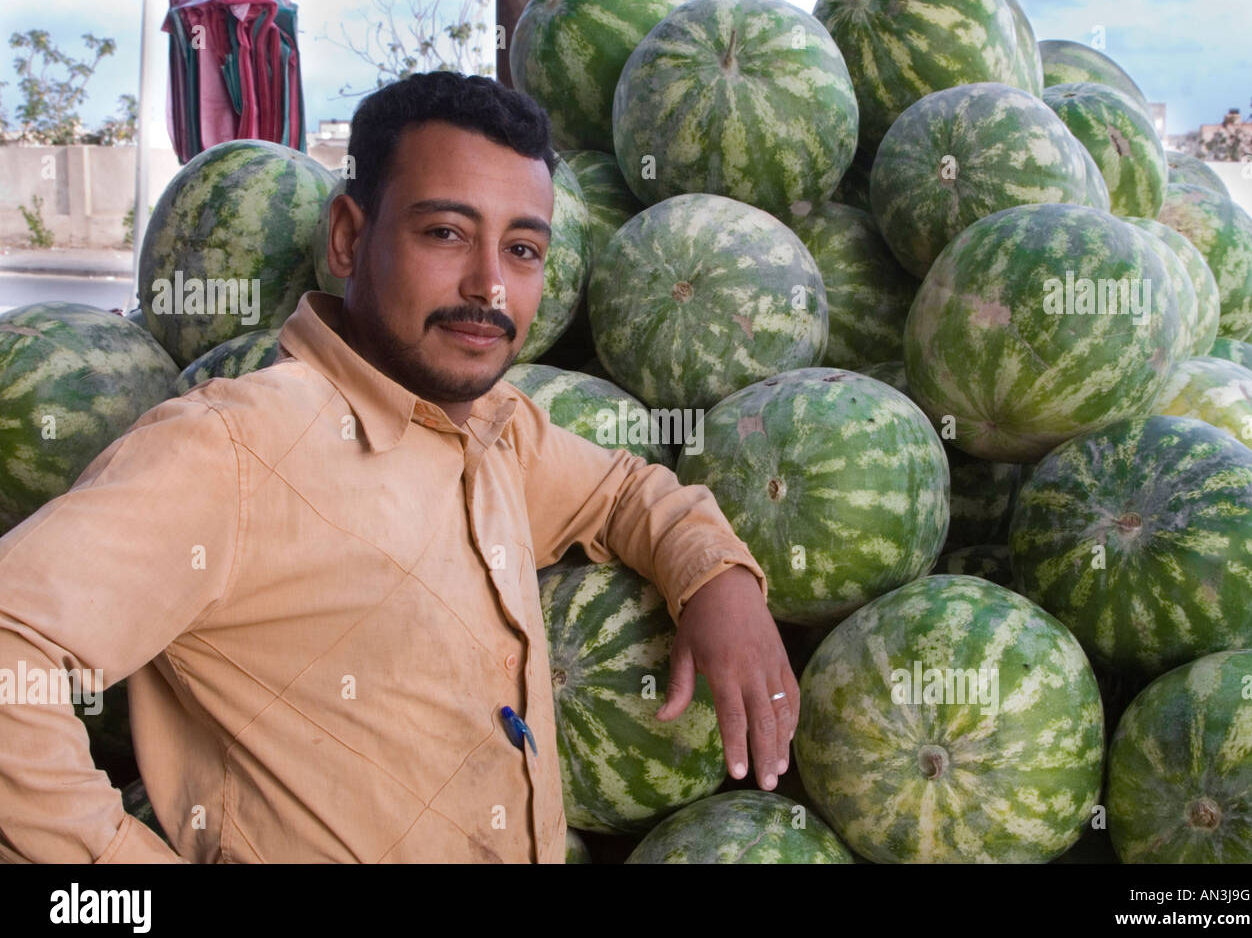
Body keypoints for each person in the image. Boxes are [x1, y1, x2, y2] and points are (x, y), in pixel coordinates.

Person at [0, 71, 797, 863]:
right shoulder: (229, 451)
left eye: (521, 250)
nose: (489, 284)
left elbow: (626, 491)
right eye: (445, 233)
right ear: (348, 237)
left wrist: (718, 582)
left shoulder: (496, 432)